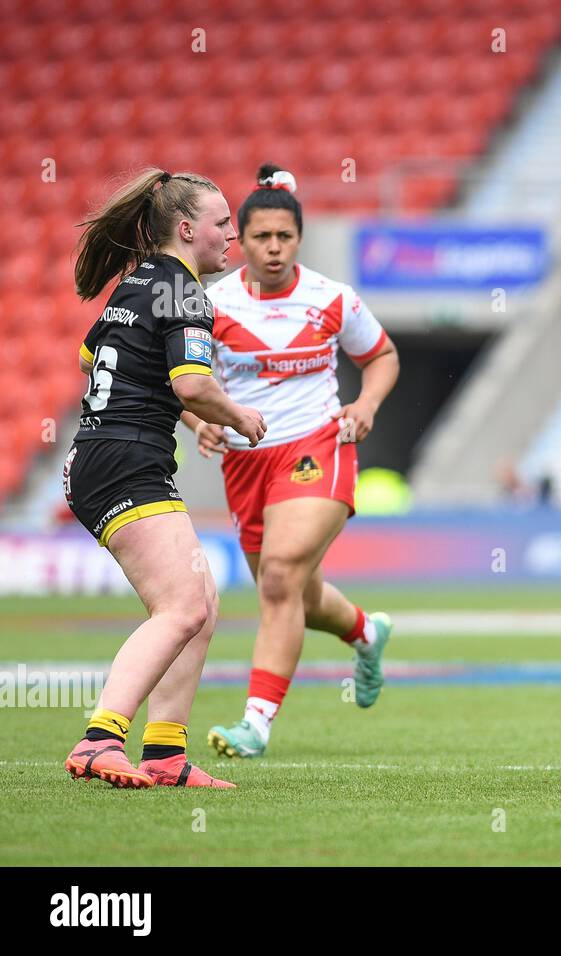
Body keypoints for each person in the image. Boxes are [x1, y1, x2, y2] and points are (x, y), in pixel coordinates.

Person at [183, 165, 399, 760]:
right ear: (240, 241)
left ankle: (255, 724)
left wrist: (367, 402)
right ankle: (365, 631)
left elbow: (382, 357)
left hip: (318, 446)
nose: (273, 248)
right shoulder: (212, 304)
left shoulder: (332, 298)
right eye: (260, 237)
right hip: (246, 463)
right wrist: (202, 423)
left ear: (298, 238)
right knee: (297, 596)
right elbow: (177, 381)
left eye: (284, 236)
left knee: (278, 577)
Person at [63, 168, 267, 789]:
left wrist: (180, 411)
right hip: (124, 459)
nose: (233, 236)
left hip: (113, 456)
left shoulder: (137, 284)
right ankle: (100, 739)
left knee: (201, 606)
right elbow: (192, 383)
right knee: (180, 605)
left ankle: (166, 753)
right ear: (186, 229)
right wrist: (235, 416)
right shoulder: (184, 292)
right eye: (223, 222)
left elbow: (95, 358)